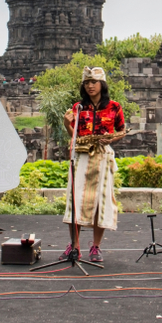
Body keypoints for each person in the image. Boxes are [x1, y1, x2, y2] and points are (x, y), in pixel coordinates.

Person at [60, 66, 125, 264]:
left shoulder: (114, 107)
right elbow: (76, 137)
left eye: (94, 82)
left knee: (101, 201)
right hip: (81, 156)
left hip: (103, 156)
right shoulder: (78, 108)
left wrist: (111, 139)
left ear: (102, 84)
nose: (90, 86)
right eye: (87, 83)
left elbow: (121, 131)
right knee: (76, 200)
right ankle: (75, 245)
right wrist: (66, 124)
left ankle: (96, 246)